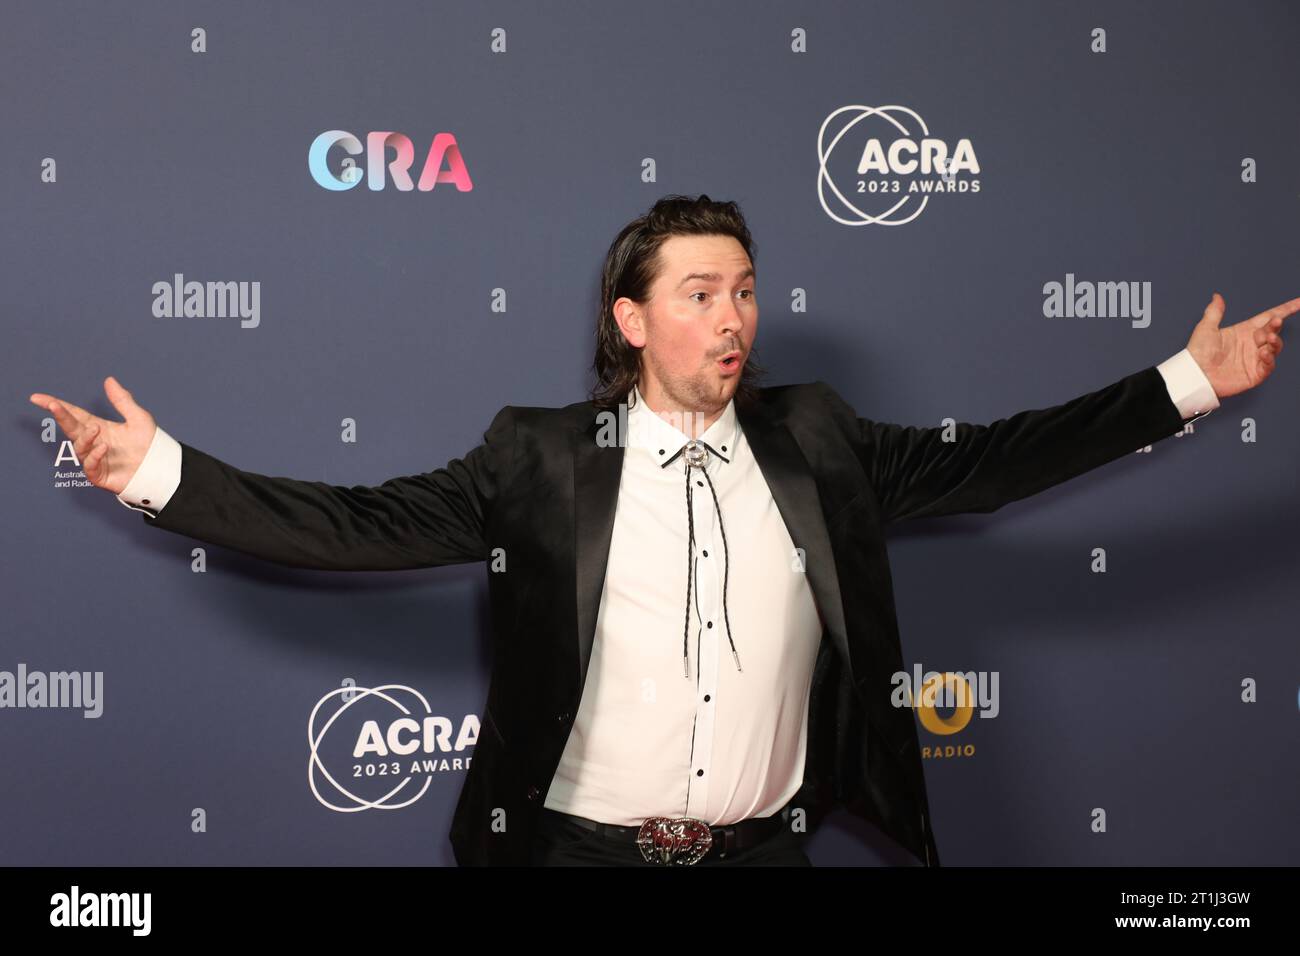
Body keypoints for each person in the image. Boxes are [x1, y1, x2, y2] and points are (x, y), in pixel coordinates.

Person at [30, 195, 1293, 867]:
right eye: (699, 294)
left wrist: (1182, 381)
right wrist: (161, 472)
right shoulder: (534, 459)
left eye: (744, 291)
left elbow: (998, 461)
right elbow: (352, 525)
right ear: (633, 320)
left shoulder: (822, 439)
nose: (732, 317)